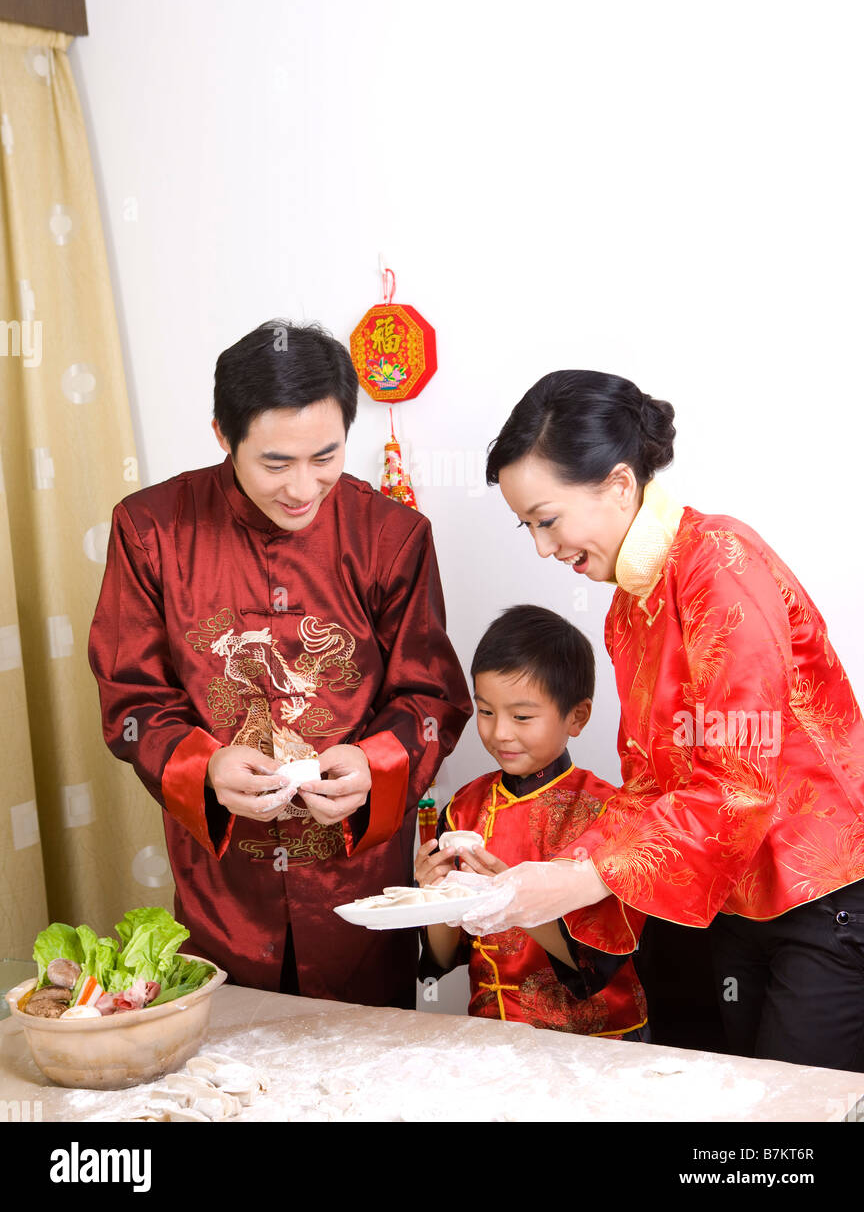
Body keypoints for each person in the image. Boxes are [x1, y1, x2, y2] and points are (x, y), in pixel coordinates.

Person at [460, 369, 864, 1071]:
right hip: (733, 901)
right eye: (527, 527)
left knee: (797, 1117)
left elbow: (737, 782)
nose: (542, 550)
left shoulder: (720, 560)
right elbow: (650, 787)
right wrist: (556, 873)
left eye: (547, 520)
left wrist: (583, 879)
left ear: (619, 485)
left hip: (820, 897)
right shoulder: (627, 609)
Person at [88, 319, 472, 1007]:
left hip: (359, 893)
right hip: (222, 891)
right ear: (221, 436)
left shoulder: (391, 537)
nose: (303, 487)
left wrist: (377, 765)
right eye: (275, 463)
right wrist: (202, 766)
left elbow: (432, 694)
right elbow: (132, 701)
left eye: (325, 456)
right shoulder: (150, 532)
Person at [415, 604, 647, 1039]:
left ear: (576, 717)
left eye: (521, 716)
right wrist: (434, 898)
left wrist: (514, 900)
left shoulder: (609, 813)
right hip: (492, 1037)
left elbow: (598, 964)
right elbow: (443, 960)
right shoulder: (462, 810)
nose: (500, 732)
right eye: (486, 712)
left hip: (602, 1042)